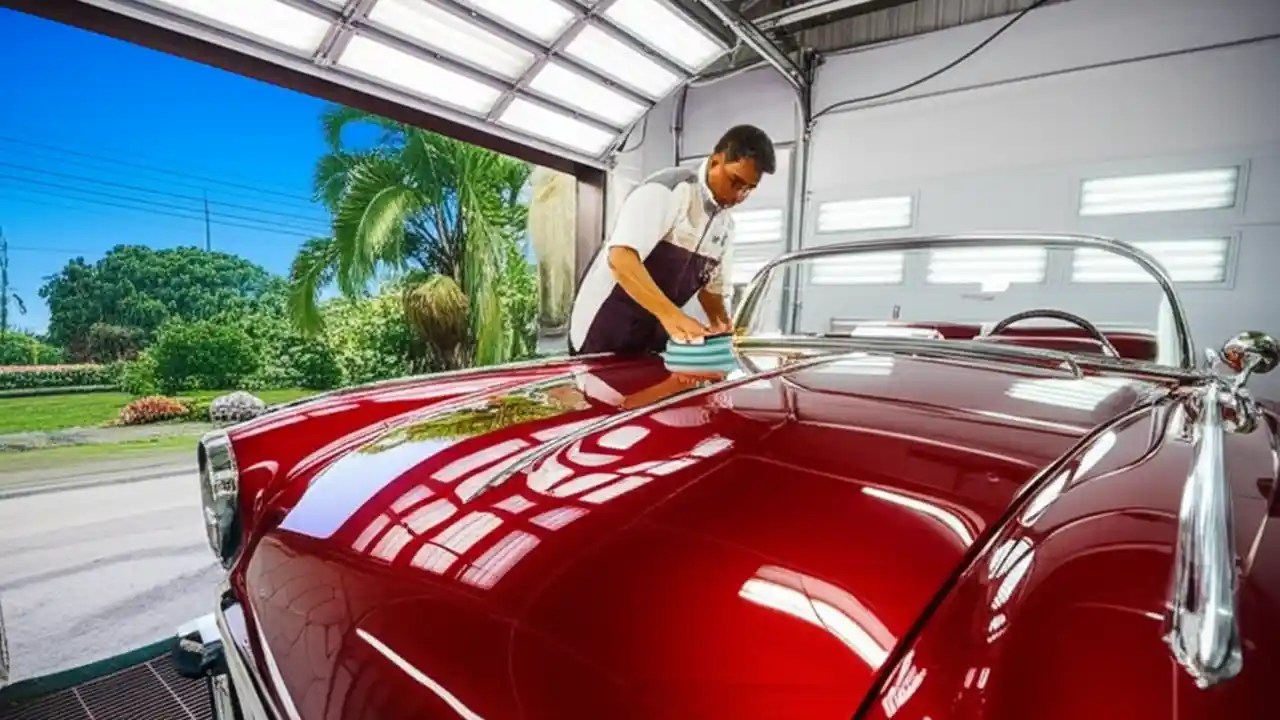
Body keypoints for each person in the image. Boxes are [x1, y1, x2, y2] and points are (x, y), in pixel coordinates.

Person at [568, 124, 776, 355]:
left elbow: (712, 291)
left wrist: (724, 330)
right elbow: (621, 258)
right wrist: (673, 316)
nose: (739, 196)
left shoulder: (726, 227)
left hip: (649, 335)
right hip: (602, 327)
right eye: (735, 182)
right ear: (716, 160)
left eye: (749, 189)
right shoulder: (668, 190)